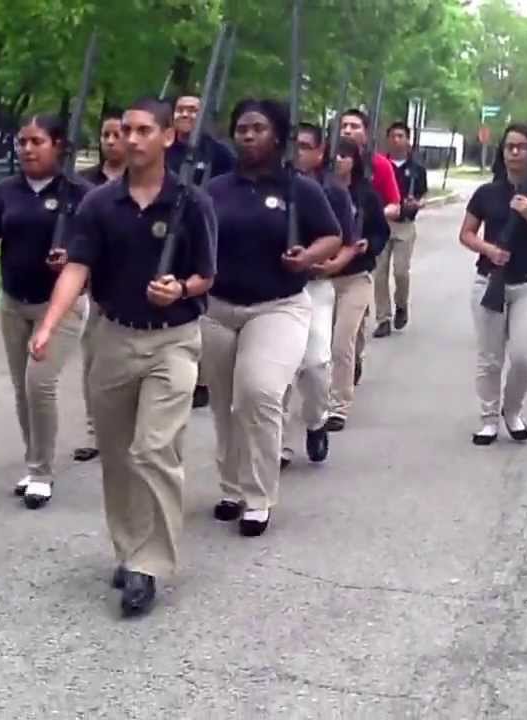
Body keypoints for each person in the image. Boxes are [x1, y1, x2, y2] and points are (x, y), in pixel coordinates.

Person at [30, 97, 217, 617]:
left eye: (142, 131)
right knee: (116, 454)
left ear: (166, 138)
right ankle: (129, 547)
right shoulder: (99, 204)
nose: (132, 140)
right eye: (125, 131)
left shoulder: (192, 203)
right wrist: (48, 325)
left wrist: (179, 288)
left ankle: (149, 565)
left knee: (154, 449)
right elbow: (77, 267)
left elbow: (207, 275)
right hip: (113, 336)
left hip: (173, 340)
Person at [202, 98, 342, 537]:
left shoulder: (299, 188)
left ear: (276, 135)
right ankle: (231, 486)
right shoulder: (215, 189)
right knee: (225, 403)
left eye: (258, 128)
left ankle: (258, 496)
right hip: (218, 308)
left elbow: (333, 236)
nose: (247, 135)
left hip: (278, 305)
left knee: (258, 392)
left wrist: (307, 257)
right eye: (241, 128)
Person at [0, 115, 93, 507]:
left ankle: (42, 472)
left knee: (39, 384)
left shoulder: (80, 193)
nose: (27, 149)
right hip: (13, 300)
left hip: (59, 304)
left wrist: (73, 259)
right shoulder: (5, 192)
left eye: (36, 141)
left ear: (58, 145)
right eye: (22, 141)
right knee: (21, 388)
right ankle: (34, 462)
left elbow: (98, 249)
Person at [459, 122, 527, 445]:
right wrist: (489, 249)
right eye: (509, 147)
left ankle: (513, 410)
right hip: (489, 281)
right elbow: (466, 234)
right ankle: (489, 418)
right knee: (490, 357)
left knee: (524, 355)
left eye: (522, 147)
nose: (515, 152)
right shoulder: (487, 193)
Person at [278, 122, 357, 467]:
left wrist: (331, 265)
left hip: (315, 286)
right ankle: (276, 444)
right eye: (293, 145)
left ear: (320, 151)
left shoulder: (333, 192)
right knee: (278, 371)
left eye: (306, 146)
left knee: (315, 364)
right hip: (275, 288)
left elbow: (348, 242)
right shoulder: (273, 186)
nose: (298, 153)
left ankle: (315, 421)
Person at [167, 91, 237, 410]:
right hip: (169, 231)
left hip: (206, 229)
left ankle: (201, 377)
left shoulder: (219, 153)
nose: (186, 115)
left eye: (192, 110)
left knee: (201, 299)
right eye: (180, 109)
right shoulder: (165, 150)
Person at [321, 137, 389, 432]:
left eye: (345, 155)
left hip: (355, 277)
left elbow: (381, 233)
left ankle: (339, 405)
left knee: (341, 341)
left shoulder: (366, 195)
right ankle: (318, 398)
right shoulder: (317, 191)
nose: (339, 160)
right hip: (321, 278)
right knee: (319, 347)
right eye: (334, 155)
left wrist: (367, 245)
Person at [73, 106, 128, 463]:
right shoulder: (84, 183)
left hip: (135, 285)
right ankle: (96, 431)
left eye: (117, 134)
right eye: (105, 135)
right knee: (93, 360)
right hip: (94, 287)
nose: (110, 141)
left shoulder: (147, 181)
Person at [373, 120, 428, 337]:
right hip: (381, 222)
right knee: (379, 274)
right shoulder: (378, 164)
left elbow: (423, 194)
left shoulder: (416, 169)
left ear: (408, 140)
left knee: (401, 272)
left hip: (404, 225)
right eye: (393, 136)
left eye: (401, 136)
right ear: (387, 140)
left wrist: (418, 203)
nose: (397, 140)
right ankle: (383, 318)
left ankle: (401, 305)